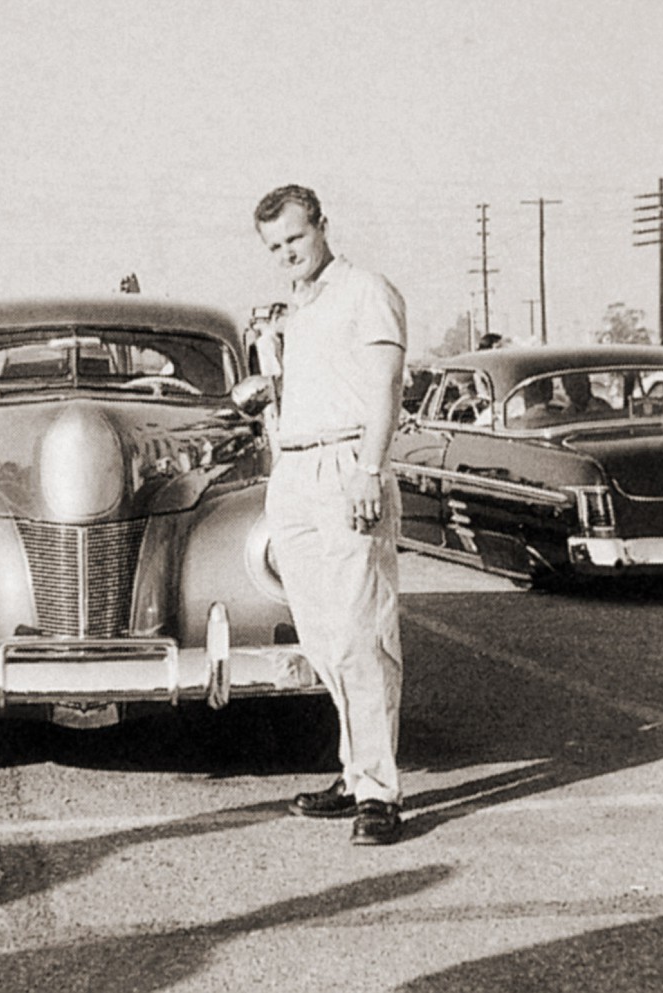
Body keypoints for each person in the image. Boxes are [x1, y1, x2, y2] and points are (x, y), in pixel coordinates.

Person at [253, 184, 407, 845]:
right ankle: (354, 770)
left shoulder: (365, 290)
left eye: (296, 237)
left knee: (361, 633)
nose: (288, 252)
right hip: (295, 469)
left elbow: (385, 387)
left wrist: (370, 470)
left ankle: (379, 791)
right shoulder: (298, 307)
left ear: (322, 226)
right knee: (321, 636)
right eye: (275, 246)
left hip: (347, 467)